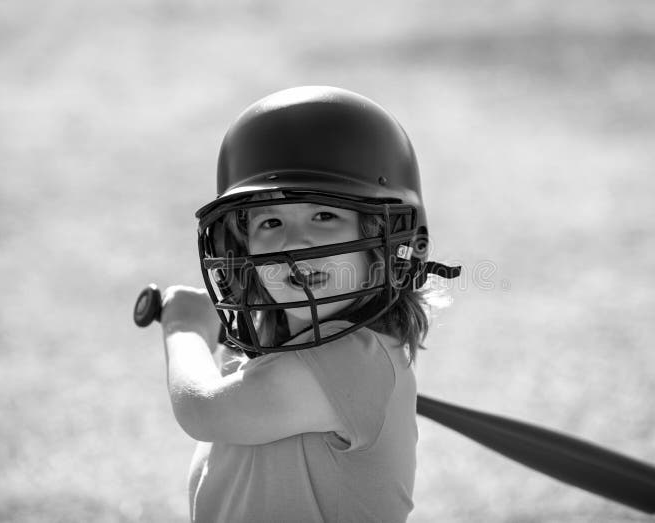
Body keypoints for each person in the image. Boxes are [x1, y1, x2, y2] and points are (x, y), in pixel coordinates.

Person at [160, 86, 460, 522]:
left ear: (384, 238)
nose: (295, 242)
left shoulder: (351, 361)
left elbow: (205, 409)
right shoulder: (273, 352)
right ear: (241, 249)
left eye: (324, 216)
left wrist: (184, 328)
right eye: (271, 221)